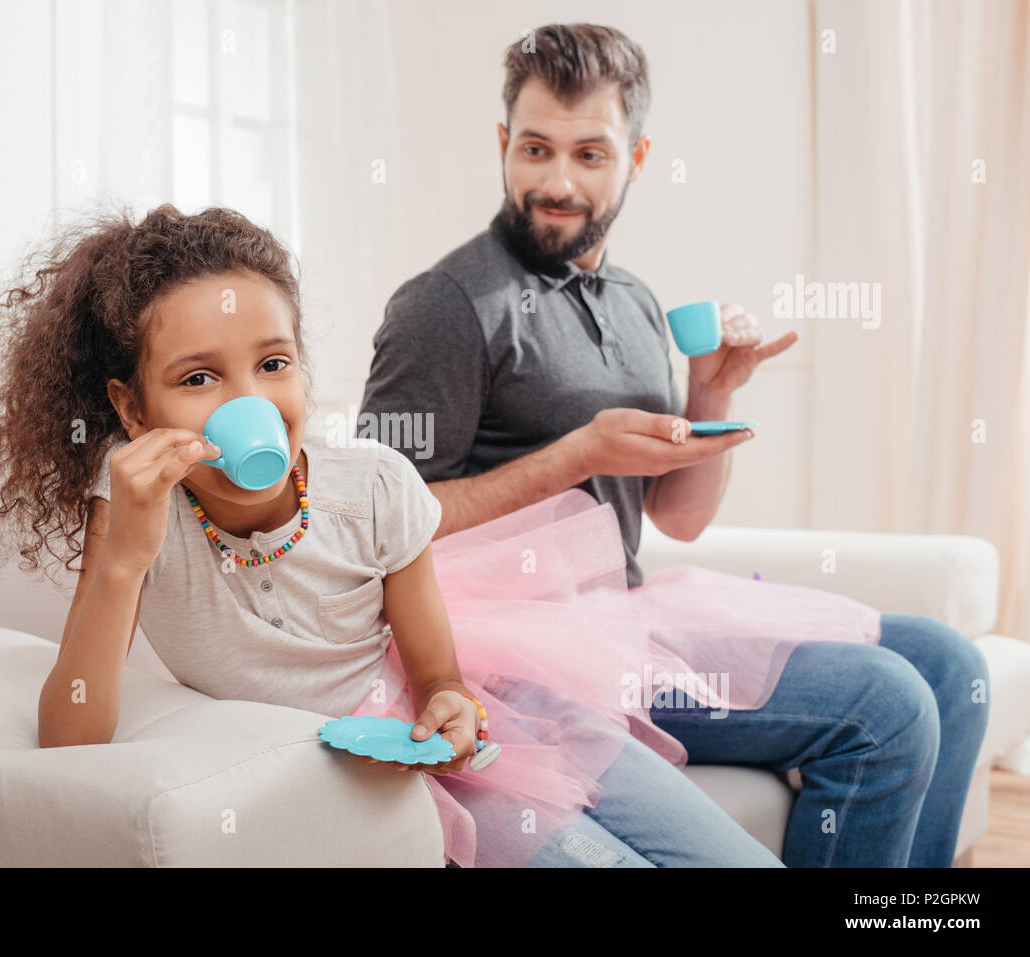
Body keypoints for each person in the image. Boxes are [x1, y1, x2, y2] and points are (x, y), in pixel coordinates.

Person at [357, 22, 990, 867]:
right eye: (536, 148)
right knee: (890, 705)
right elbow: (379, 525)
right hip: (515, 648)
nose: (557, 180)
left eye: (590, 154)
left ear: (638, 157)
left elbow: (679, 518)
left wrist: (711, 394)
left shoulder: (634, 302)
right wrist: (577, 454)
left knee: (948, 664)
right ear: (503, 143)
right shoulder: (445, 303)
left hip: (624, 613)